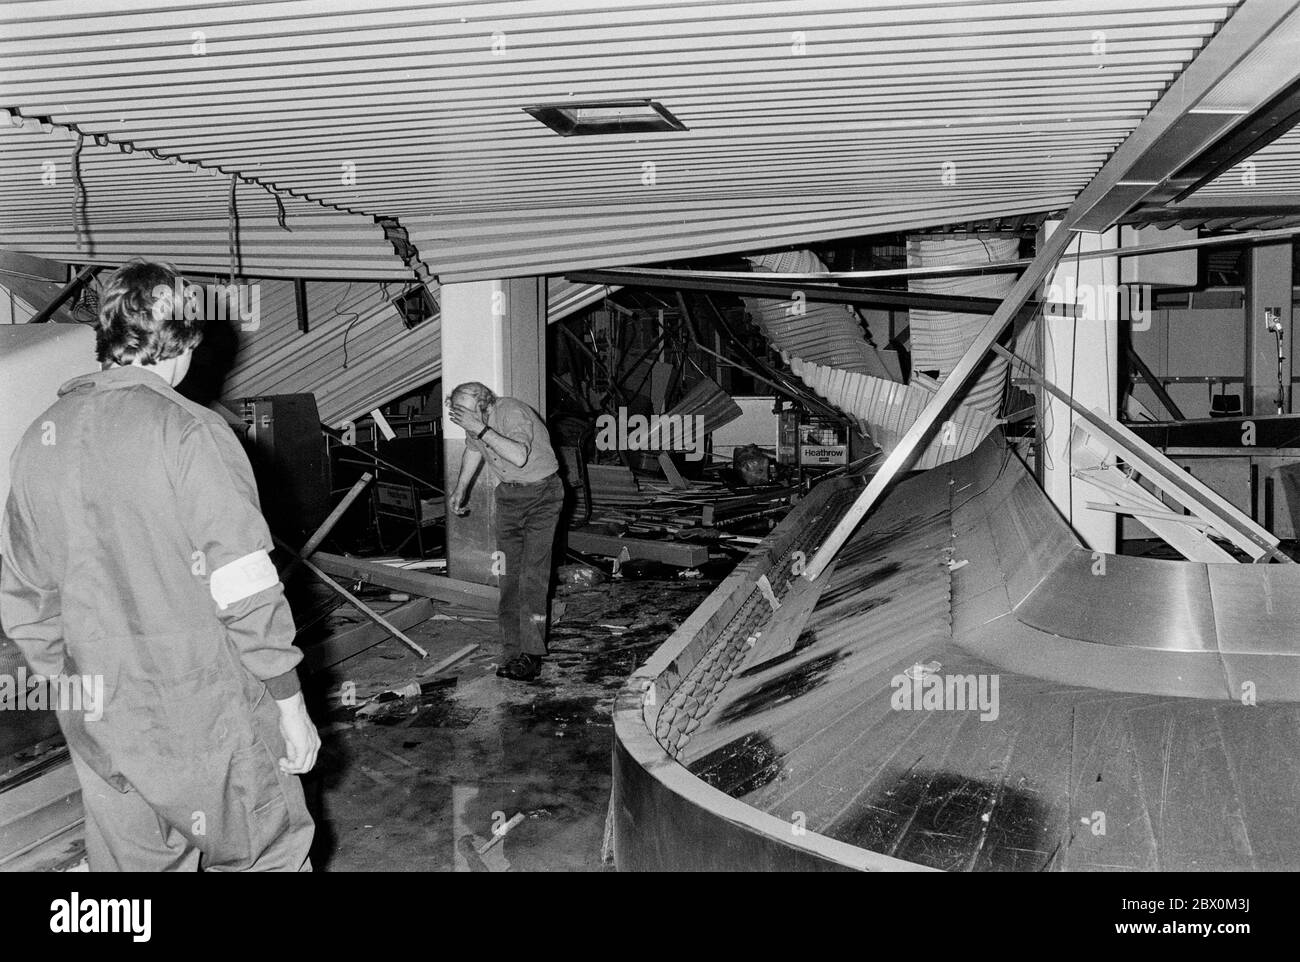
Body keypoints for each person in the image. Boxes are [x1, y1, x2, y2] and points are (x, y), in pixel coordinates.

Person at [0, 260, 318, 871]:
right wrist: (289, 703)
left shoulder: (39, 439)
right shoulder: (190, 431)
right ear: (187, 339)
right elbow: (244, 587)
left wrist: (73, 686)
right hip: (208, 710)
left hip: (100, 711)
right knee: (264, 855)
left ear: (106, 337)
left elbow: (24, 598)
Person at [447, 381, 562, 682]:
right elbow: (473, 450)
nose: (465, 419)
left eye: (468, 413)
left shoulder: (512, 411)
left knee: (532, 577)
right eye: (458, 412)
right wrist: (460, 489)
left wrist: (480, 428)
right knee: (508, 577)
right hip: (509, 497)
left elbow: (519, 455)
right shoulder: (476, 421)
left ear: (486, 405)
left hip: (542, 494)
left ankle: (532, 655)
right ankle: (513, 652)